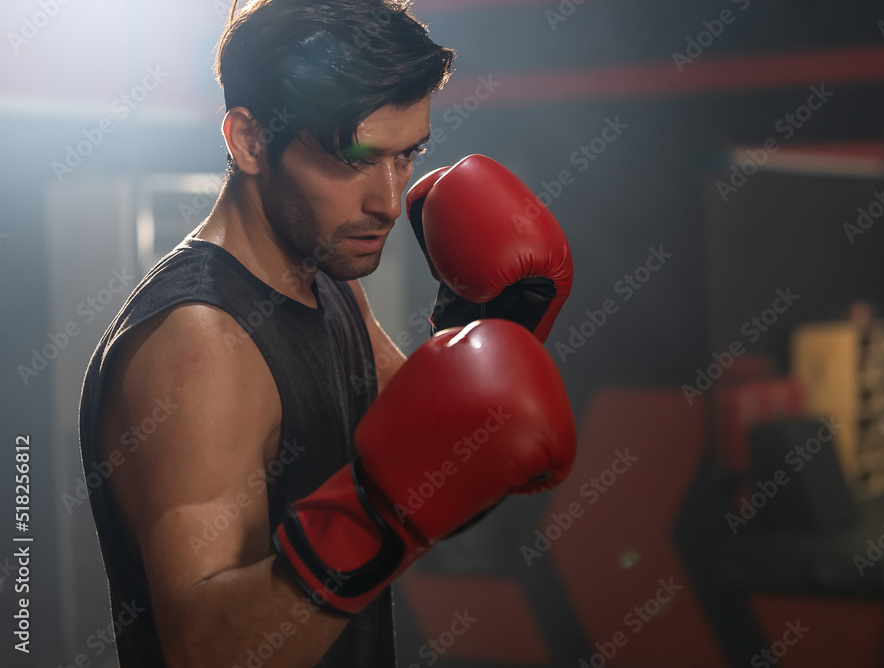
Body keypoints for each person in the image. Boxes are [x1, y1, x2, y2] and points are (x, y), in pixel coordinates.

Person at [77, 1, 574, 667]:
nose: (389, 201)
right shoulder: (198, 344)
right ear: (250, 141)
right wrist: (371, 522)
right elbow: (207, 650)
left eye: (407, 157)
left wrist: (493, 334)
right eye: (356, 159)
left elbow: (428, 468)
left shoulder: (326, 278)